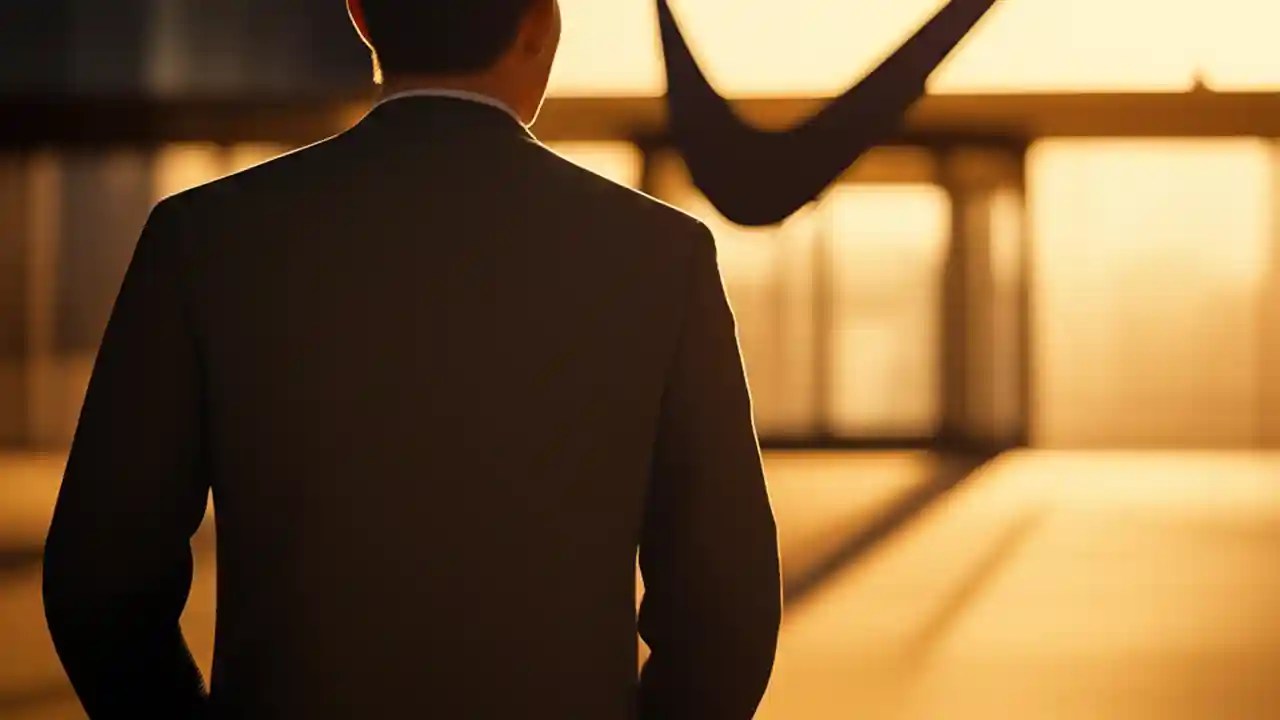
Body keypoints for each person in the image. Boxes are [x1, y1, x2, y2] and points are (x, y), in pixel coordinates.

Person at [41, 0, 782, 717]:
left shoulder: (202, 241)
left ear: (360, 13)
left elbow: (100, 584)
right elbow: (728, 612)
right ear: (539, 22)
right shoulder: (661, 257)